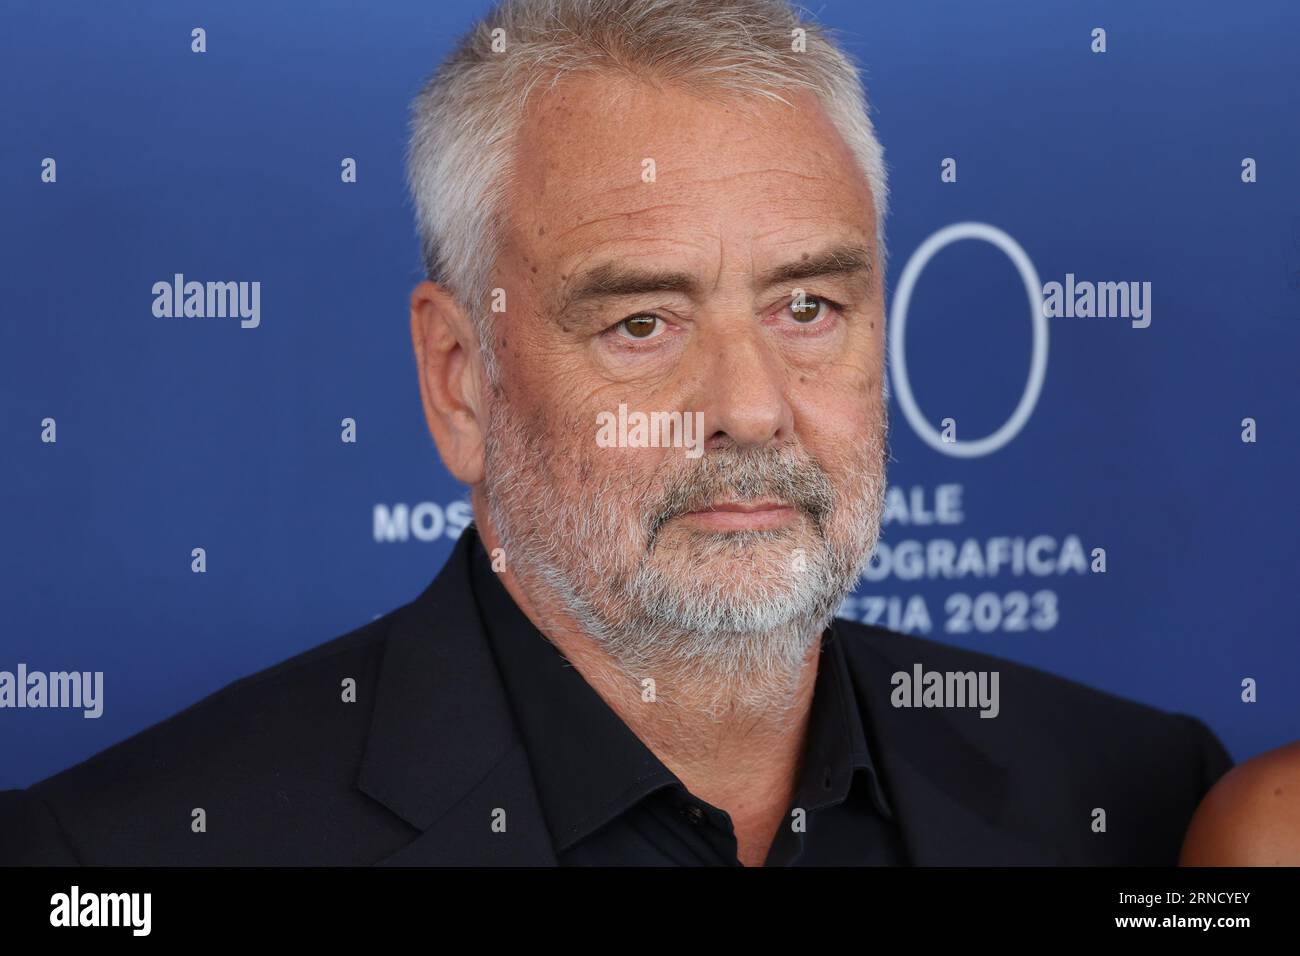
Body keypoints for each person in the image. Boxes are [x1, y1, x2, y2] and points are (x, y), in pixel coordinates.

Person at [0, 0, 1231, 866]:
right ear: (460, 379)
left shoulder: (1133, 799)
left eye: (808, 306)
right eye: (642, 320)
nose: (749, 408)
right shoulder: (124, 858)